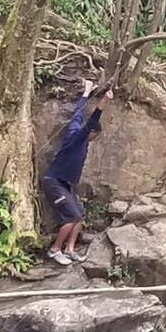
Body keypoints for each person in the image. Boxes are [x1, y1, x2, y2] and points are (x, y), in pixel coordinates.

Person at [42, 78, 111, 266]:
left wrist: (86, 92)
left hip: (65, 183)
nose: (95, 139)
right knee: (71, 217)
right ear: (92, 134)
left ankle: (69, 250)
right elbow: (90, 122)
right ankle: (55, 249)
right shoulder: (79, 139)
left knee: (79, 215)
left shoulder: (75, 129)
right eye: (96, 136)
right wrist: (102, 105)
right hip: (54, 182)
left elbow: (77, 114)